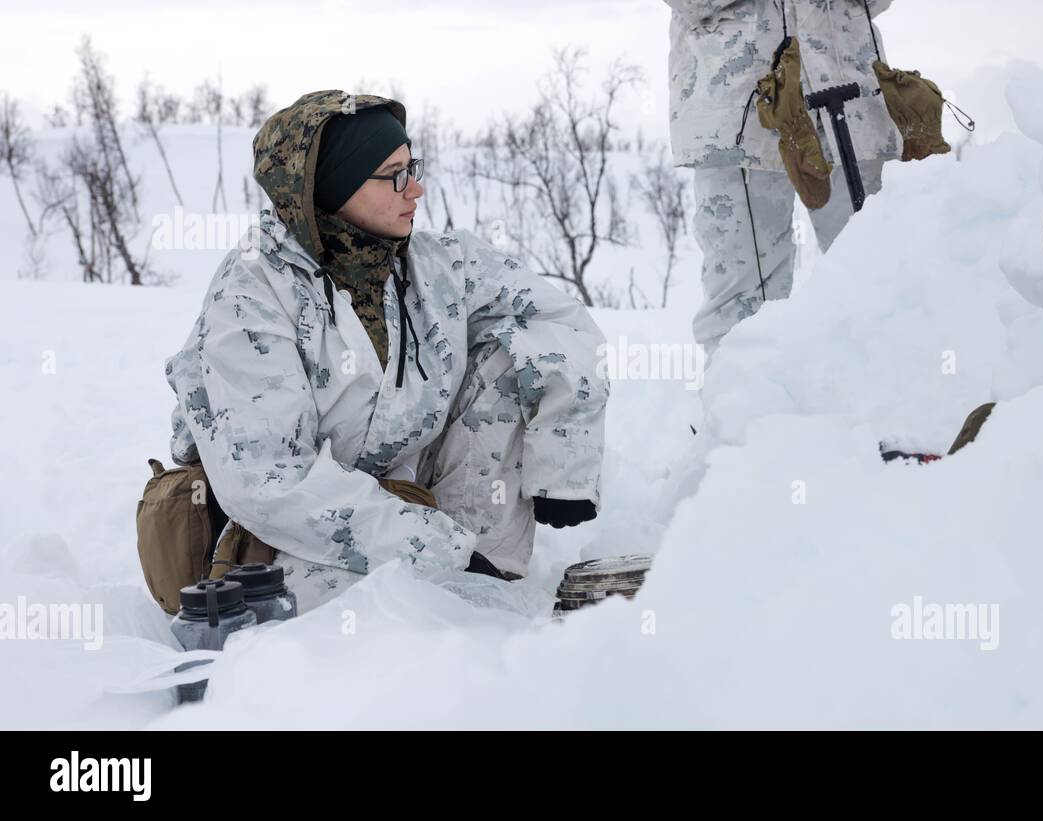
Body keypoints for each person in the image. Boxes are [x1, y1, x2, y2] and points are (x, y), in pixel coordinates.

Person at [164, 90, 609, 612]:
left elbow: (555, 318)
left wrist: (565, 457)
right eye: (394, 175)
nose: (415, 189)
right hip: (284, 535)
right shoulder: (252, 296)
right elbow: (270, 482)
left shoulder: (435, 264)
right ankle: (457, 606)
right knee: (375, 620)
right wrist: (441, 553)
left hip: (405, 502)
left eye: (412, 166)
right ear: (330, 187)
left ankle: (494, 599)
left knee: (507, 354)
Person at [665, 0, 902, 354]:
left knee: (881, 281)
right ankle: (749, 404)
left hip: (851, 104)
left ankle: (890, 395)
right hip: (742, 114)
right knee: (745, 306)